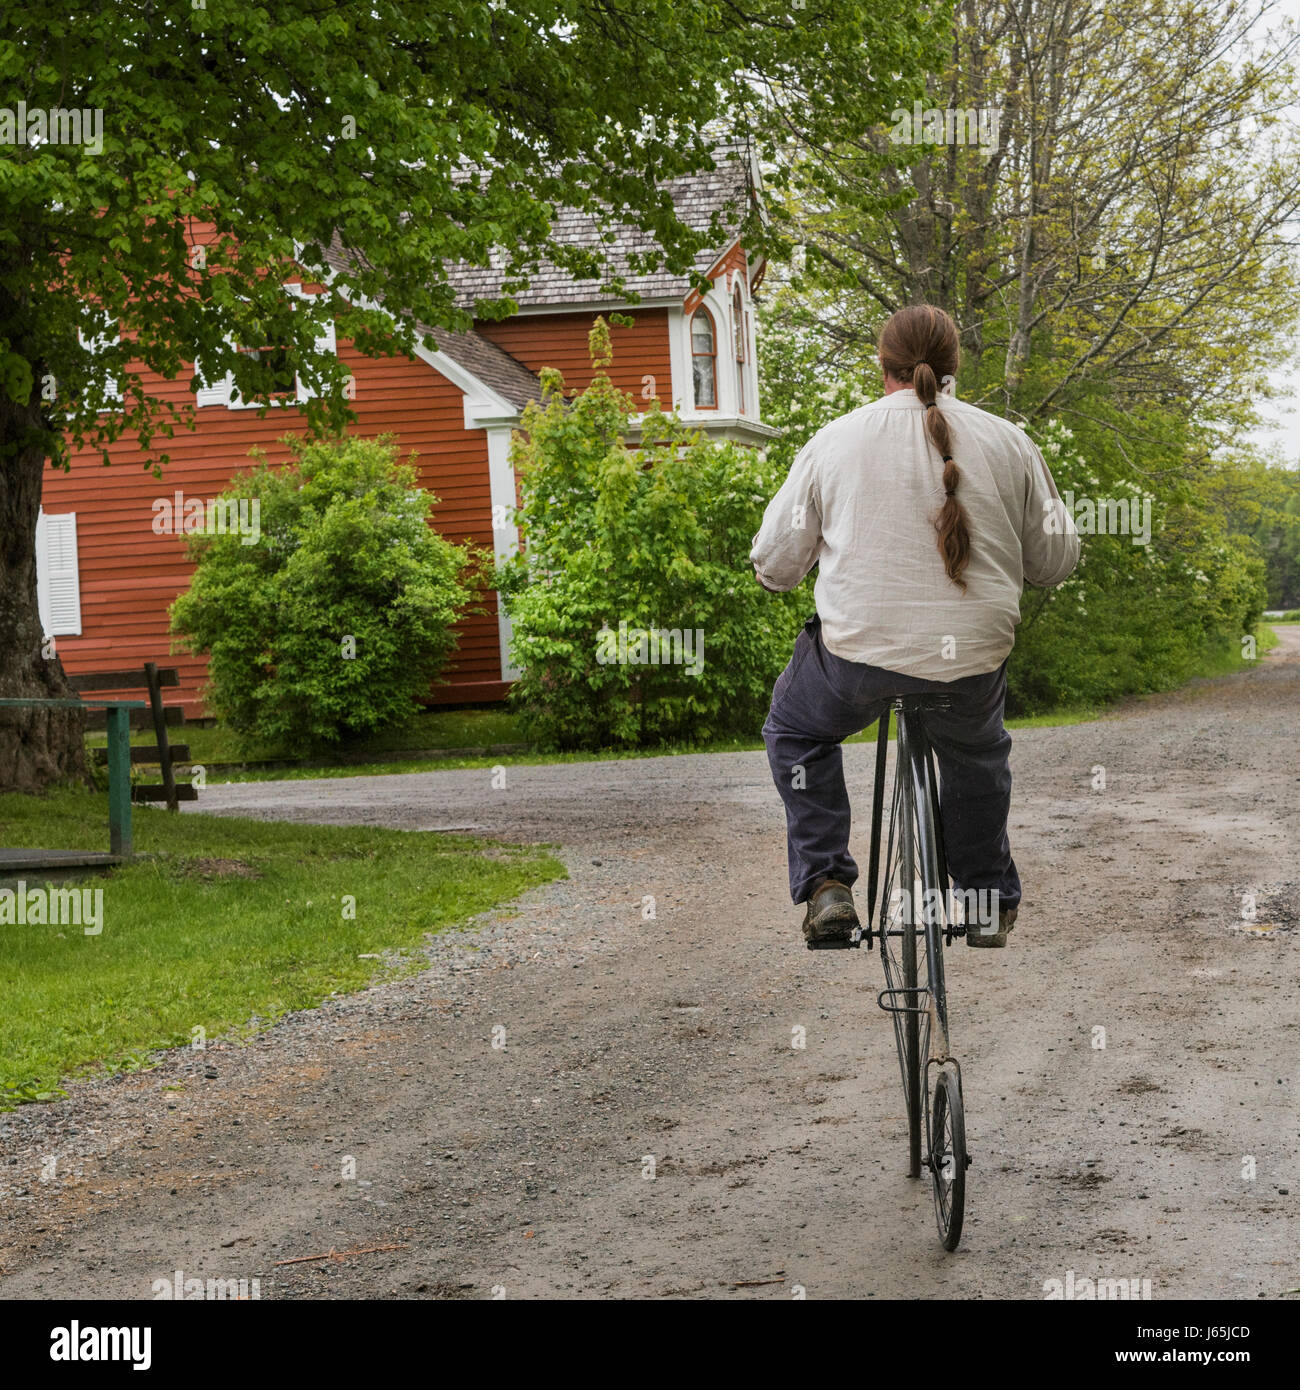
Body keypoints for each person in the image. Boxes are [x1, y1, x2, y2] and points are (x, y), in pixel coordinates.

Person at [752, 304, 1079, 949]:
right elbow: (1056, 560)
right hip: (972, 659)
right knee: (976, 753)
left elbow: (775, 563)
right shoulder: (1010, 441)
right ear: (955, 367)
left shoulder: (835, 440)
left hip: (856, 660)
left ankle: (827, 887)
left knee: (794, 731)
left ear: (884, 367)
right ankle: (985, 897)